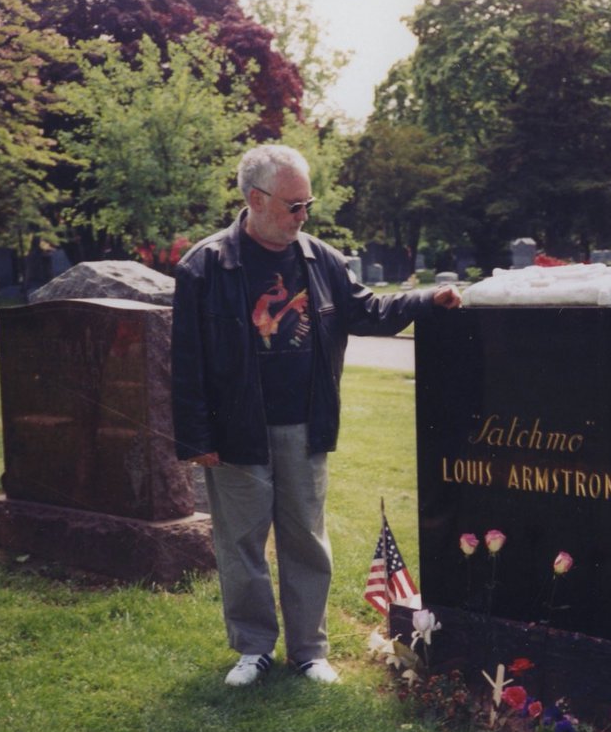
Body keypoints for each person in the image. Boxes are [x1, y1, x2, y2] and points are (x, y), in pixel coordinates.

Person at [172, 144, 460, 686]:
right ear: (256, 200)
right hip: (236, 430)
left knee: (306, 537)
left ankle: (309, 650)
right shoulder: (205, 267)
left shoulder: (320, 258)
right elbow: (185, 361)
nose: (305, 216)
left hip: (306, 424)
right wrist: (196, 437)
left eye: (308, 205)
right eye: (295, 205)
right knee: (241, 543)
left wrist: (427, 300)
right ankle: (253, 649)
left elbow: (368, 310)